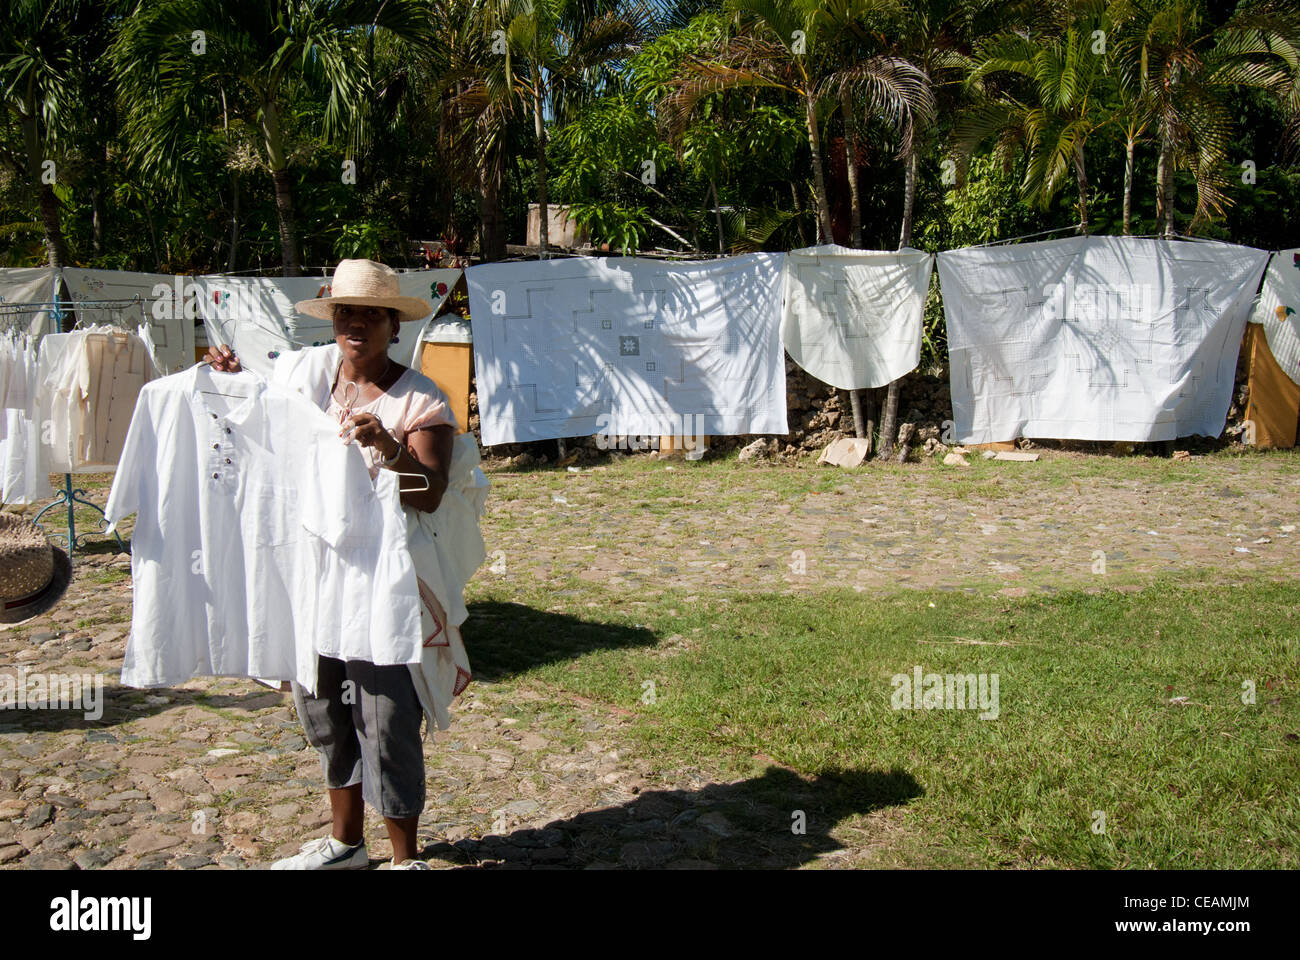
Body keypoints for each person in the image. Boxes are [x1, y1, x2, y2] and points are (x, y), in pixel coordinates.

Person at [203, 258, 458, 870]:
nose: (357, 325)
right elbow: (261, 428)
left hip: (384, 583)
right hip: (311, 573)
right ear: (333, 320)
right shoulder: (303, 378)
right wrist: (235, 379)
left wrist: (387, 446)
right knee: (323, 709)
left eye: (373, 315)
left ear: (394, 327)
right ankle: (346, 843)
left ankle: (405, 858)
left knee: (386, 715)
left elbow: (430, 492)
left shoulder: (421, 399)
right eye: (347, 313)